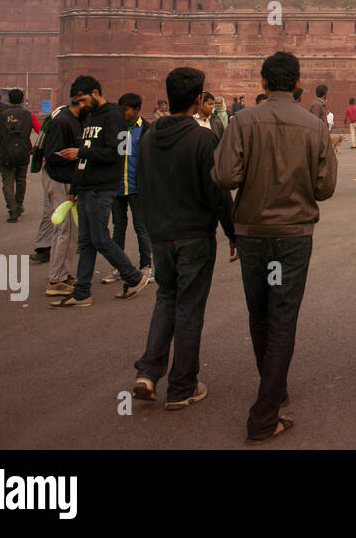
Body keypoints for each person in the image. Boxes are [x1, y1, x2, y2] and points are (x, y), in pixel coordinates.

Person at [212, 51, 337, 442]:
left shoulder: (243, 121)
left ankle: (273, 388)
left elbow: (224, 175)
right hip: (293, 235)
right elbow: (325, 187)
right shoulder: (314, 126)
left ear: (263, 83)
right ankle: (266, 412)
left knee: (260, 311)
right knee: (283, 314)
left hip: (251, 232)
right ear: (296, 82)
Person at [131, 66, 236, 410]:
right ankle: (181, 387)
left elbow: (143, 186)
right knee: (189, 308)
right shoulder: (203, 139)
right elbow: (217, 192)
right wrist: (233, 232)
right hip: (193, 235)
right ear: (196, 99)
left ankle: (148, 373)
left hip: (161, 234)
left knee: (166, 299)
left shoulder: (148, 138)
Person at [49, 76, 151, 308]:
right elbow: (83, 155)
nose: (81, 105)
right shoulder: (89, 116)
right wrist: (74, 188)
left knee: (99, 237)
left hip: (103, 187)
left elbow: (116, 153)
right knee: (86, 242)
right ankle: (82, 292)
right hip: (85, 186)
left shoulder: (114, 116)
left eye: (83, 99)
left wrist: (80, 154)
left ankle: (134, 277)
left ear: (95, 92)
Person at [38, 91, 85, 295]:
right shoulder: (62, 121)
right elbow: (52, 154)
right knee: (64, 229)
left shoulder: (73, 120)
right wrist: (77, 155)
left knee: (70, 230)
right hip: (59, 178)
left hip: (65, 179)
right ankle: (56, 279)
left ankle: (63, 274)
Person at [104, 93, 153, 286]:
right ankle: (119, 267)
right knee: (118, 228)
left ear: (136, 109)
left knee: (141, 228)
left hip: (137, 186)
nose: (124, 113)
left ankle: (145, 266)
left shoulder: (146, 129)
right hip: (117, 186)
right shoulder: (117, 128)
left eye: (126, 109)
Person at [0, 88, 39, 223]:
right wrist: (36, 148)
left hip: (5, 153)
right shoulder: (29, 115)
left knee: (7, 183)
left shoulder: (0, 116)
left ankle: (12, 210)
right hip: (23, 152)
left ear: (8, 99)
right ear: (23, 100)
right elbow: (41, 132)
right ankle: (18, 206)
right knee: (21, 180)